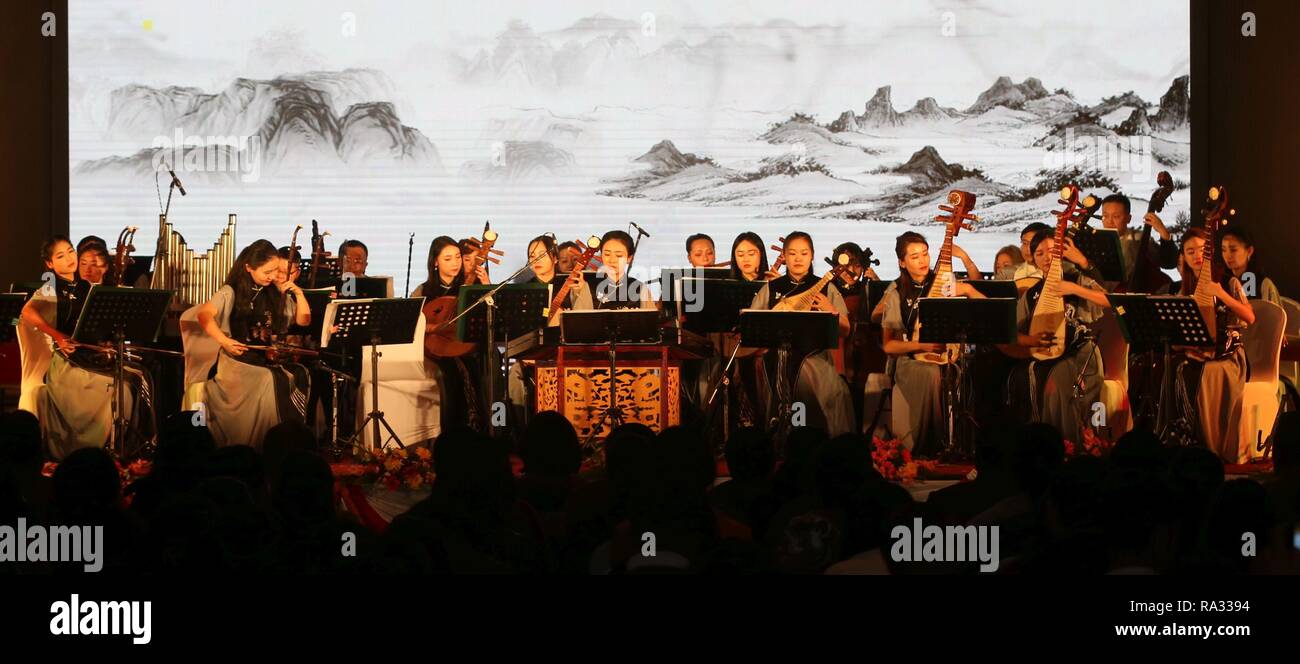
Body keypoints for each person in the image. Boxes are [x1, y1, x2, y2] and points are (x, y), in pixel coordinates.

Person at [20, 236, 155, 458]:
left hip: (87, 358)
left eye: (71, 251)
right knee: (124, 386)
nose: (70, 258)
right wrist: (59, 337)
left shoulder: (83, 286)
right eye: (60, 256)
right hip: (67, 365)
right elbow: (27, 312)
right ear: (49, 264)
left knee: (140, 377)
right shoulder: (51, 286)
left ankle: (130, 448)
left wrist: (103, 343)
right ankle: (100, 449)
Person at [194, 239, 313, 449]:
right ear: (249, 267)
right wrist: (225, 341)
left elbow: (304, 320)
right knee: (269, 379)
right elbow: (203, 315)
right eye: (267, 272)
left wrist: (298, 293)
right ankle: (263, 445)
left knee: (300, 373)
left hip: (265, 358)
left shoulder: (275, 292)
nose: (272, 276)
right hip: (236, 360)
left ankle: (288, 445)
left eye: (275, 270)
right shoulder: (230, 291)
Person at [1000, 229, 1111, 444]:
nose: (1046, 257)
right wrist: (1030, 341)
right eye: (1039, 253)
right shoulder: (1033, 293)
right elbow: (1014, 331)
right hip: (1045, 354)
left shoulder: (1075, 279)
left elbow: (1110, 301)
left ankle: (1070, 441)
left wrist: (1075, 289)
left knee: (1058, 376)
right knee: (1020, 375)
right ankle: (1036, 442)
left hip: (1079, 352)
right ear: (1033, 259)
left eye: (1052, 251)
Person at [879, 231, 985, 455]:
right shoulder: (896, 293)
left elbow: (988, 310)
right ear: (902, 262)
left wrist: (966, 289)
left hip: (948, 356)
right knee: (932, 374)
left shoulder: (943, 282)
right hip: (910, 362)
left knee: (969, 370)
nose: (922, 261)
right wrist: (922, 346)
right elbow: (889, 346)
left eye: (925, 254)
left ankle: (966, 444)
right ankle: (933, 445)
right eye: (914, 256)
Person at [748, 232, 855, 436]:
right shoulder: (771, 288)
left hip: (815, 358)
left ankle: (816, 436)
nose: (798, 258)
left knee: (823, 386)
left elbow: (845, 329)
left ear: (812, 256)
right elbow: (753, 323)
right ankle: (782, 437)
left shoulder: (826, 288)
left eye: (804, 253)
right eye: (792, 253)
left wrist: (830, 310)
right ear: (785, 257)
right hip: (777, 357)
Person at [1172, 227, 1256, 462]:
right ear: (1184, 259)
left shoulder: (1227, 282)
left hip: (1229, 357)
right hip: (1200, 353)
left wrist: (1222, 294)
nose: (1197, 256)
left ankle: (1211, 445)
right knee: (1179, 368)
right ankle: (1185, 438)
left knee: (1206, 371)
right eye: (1190, 252)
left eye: (1201, 250)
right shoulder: (1186, 288)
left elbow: (1249, 317)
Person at [416, 236, 485, 431]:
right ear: (435, 262)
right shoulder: (424, 290)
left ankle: (479, 428)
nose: (455, 263)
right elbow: (413, 323)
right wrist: (434, 328)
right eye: (448, 259)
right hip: (433, 349)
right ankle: (454, 431)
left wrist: (486, 286)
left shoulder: (469, 287)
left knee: (472, 363)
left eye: (457, 257)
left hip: (462, 346)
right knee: (452, 371)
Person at [1099, 192, 1178, 289]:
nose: (1109, 221)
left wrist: (1163, 232)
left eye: (1116, 216)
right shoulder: (1094, 238)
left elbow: (1168, 263)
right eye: (1105, 216)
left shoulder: (1138, 238)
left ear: (1128, 218)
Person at [593, 230, 655, 310]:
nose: (612, 260)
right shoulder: (590, 286)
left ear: (629, 258)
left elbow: (650, 320)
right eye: (607, 254)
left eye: (619, 255)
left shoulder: (639, 288)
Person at [1219, 225, 1280, 304]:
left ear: (1249, 251)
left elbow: (1275, 315)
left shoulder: (1263, 284)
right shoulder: (1222, 281)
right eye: (1224, 250)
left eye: (1233, 250)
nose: (1227, 255)